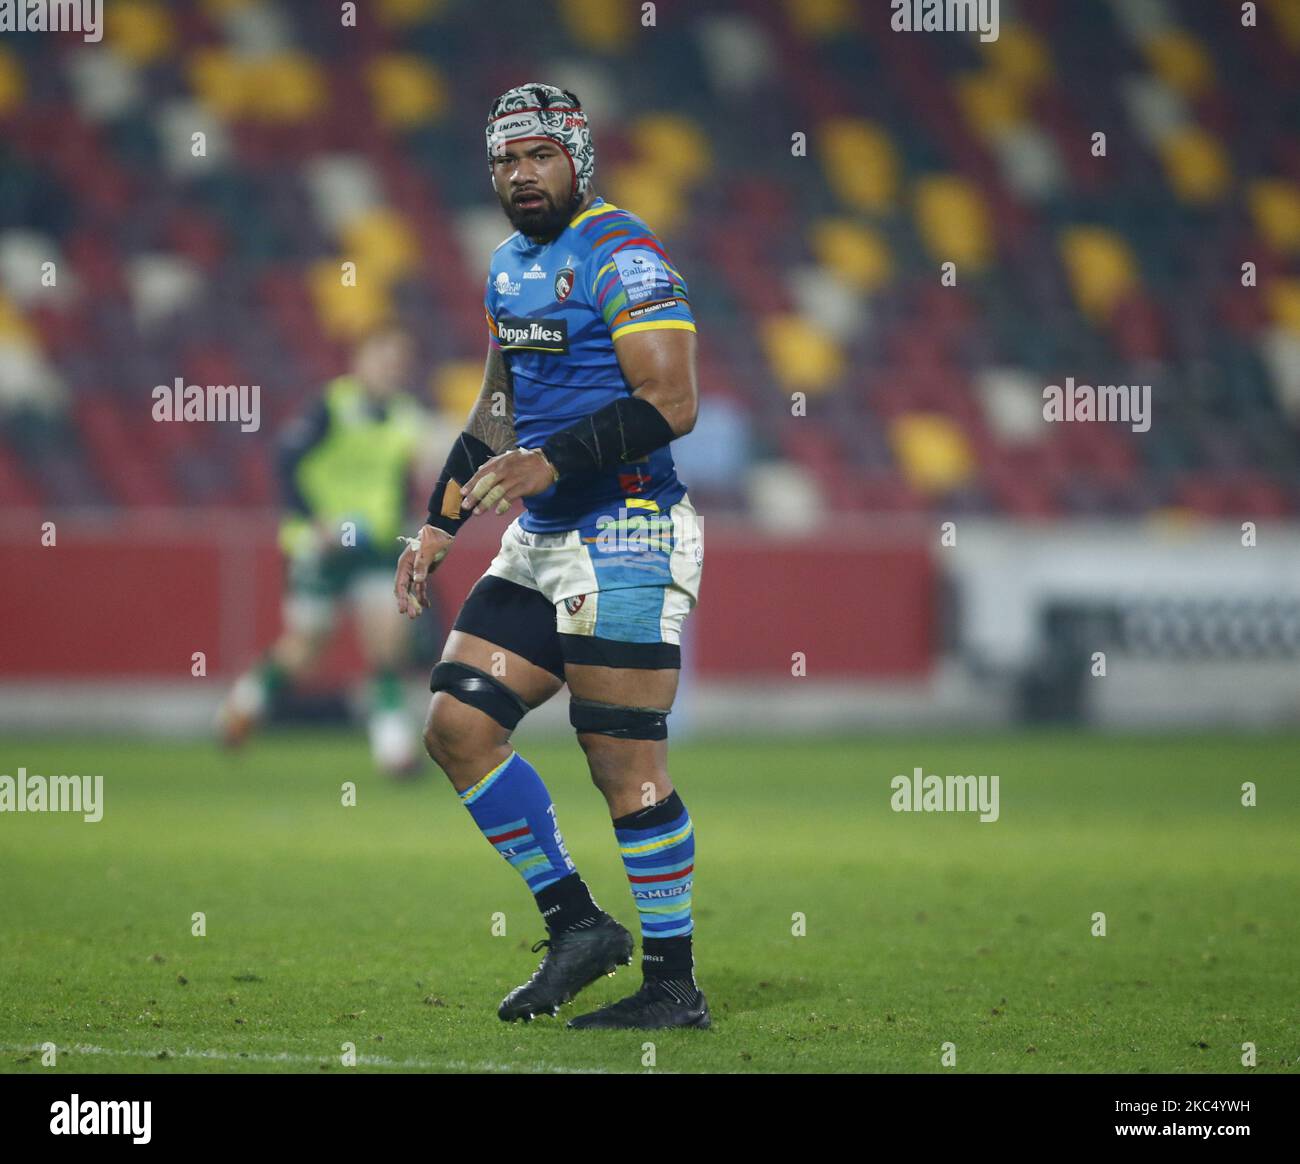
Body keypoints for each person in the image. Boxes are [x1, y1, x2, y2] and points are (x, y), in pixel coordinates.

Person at [394, 83, 708, 1029]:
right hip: (541, 535)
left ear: (578, 158)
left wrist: (549, 460)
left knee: (622, 761)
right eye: (504, 160)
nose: (520, 175)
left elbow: (673, 401)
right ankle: (577, 925)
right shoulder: (507, 266)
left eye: (538, 156)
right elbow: (497, 410)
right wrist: (441, 519)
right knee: (457, 726)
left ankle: (672, 985)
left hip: (629, 526)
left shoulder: (624, 252)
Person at [220, 323, 437, 775]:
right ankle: (244, 703)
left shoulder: (405, 416)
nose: (390, 369)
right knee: (307, 646)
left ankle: (393, 749)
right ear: (358, 362)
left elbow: (401, 484)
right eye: (382, 359)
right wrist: (313, 524)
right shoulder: (329, 406)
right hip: (322, 546)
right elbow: (285, 459)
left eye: (398, 362)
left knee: (386, 643)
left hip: (374, 546)